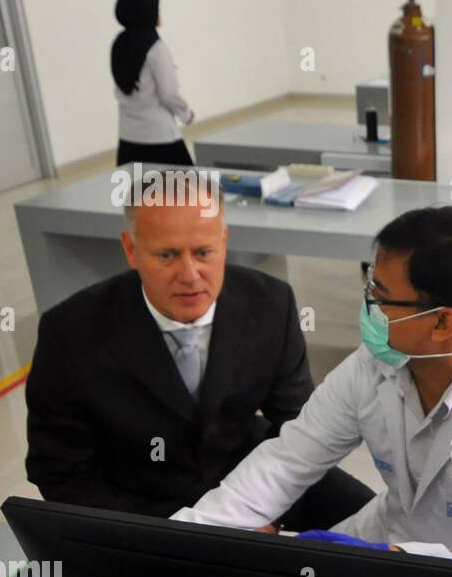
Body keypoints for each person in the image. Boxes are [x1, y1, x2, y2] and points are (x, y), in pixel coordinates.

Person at [173, 207, 452, 577]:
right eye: (370, 287)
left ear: (442, 322)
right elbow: (287, 459)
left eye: (380, 297)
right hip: (381, 539)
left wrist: (394, 560)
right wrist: (184, 540)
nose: (368, 306)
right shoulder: (372, 367)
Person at [25, 171, 375, 526]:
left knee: (379, 529)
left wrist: (263, 511)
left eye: (204, 252)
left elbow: (299, 429)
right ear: (131, 250)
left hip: (249, 477)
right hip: (139, 502)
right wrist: (166, 536)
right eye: (167, 255)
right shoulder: (70, 331)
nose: (190, 275)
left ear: (224, 240)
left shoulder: (271, 303)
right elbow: (59, 470)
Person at [111, 0, 195, 167]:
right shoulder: (157, 48)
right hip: (161, 138)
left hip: (129, 139)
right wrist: (186, 114)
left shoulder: (119, 45)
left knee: (136, 194)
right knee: (190, 194)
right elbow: (168, 94)